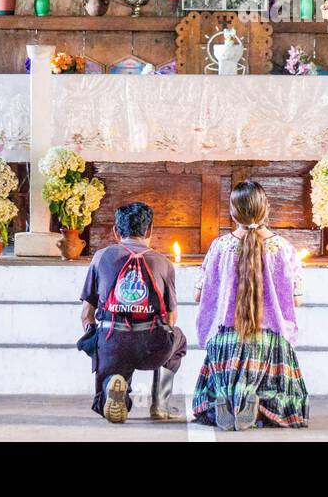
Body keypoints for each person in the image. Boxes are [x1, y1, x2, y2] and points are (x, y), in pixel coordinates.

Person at [192, 180, 309, 429]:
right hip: (269, 344)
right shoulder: (284, 248)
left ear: (233, 213)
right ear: (266, 209)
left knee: (220, 368)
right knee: (281, 397)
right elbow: (296, 299)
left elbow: (198, 295)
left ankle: (226, 397)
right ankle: (255, 404)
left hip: (226, 343)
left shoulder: (220, 247)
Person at [79, 202, 187, 424]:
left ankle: (113, 383)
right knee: (179, 339)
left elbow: (86, 314)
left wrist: (96, 344)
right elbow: (171, 318)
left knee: (114, 365)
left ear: (116, 232)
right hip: (152, 347)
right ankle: (160, 404)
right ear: (150, 231)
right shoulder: (163, 262)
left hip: (112, 342)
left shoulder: (101, 257)